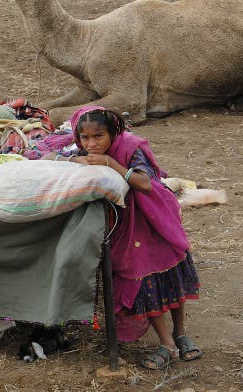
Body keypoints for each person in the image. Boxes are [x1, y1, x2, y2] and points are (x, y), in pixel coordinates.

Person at [50, 106, 202, 370]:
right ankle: (168, 343)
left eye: (98, 136)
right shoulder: (86, 152)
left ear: (114, 132)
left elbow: (144, 182)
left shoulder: (131, 148)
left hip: (154, 219)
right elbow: (53, 157)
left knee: (171, 275)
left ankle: (180, 334)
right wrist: (76, 160)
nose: (91, 144)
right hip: (125, 226)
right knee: (142, 281)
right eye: (84, 138)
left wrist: (112, 164)